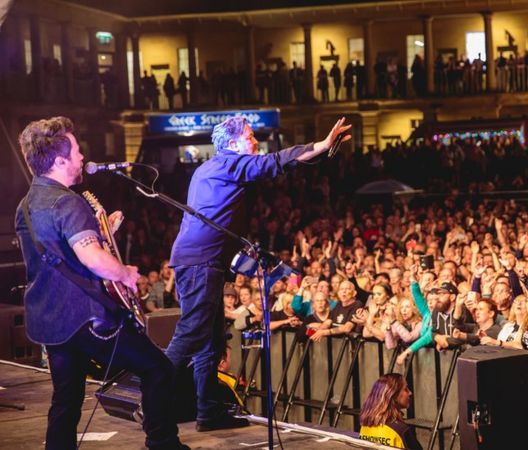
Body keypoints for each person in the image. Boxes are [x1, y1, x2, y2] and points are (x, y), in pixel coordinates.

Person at [166, 115, 351, 431]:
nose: (255, 142)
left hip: (196, 261)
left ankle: (208, 413)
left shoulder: (206, 169)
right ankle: (150, 395)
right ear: (235, 142)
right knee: (192, 333)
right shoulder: (231, 165)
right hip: (201, 262)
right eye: (251, 136)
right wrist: (322, 145)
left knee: (210, 342)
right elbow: (277, 161)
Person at [14, 117, 186, 450]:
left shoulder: (26, 205)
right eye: (76, 150)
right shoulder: (67, 201)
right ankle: (164, 444)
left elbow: (57, 252)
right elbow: (91, 258)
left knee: (66, 399)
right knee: (158, 369)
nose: (81, 157)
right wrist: (125, 273)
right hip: (87, 317)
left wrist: (100, 229)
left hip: (50, 318)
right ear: (60, 160)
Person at [359, 373, 423, 450]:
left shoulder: (365, 425)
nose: (410, 393)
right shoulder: (400, 430)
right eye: (406, 389)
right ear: (393, 395)